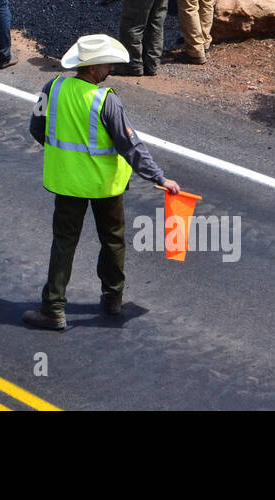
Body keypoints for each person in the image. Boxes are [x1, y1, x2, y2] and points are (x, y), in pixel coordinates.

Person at [22, 34, 180, 331]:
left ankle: (54, 309)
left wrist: (64, 157)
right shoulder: (107, 102)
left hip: (68, 183)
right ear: (93, 68)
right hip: (106, 186)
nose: (110, 68)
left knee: (64, 243)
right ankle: (113, 298)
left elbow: (36, 128)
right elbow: (131, 147)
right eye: (107, 63)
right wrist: (160, 177)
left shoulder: (52, 88)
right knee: (113, 240)